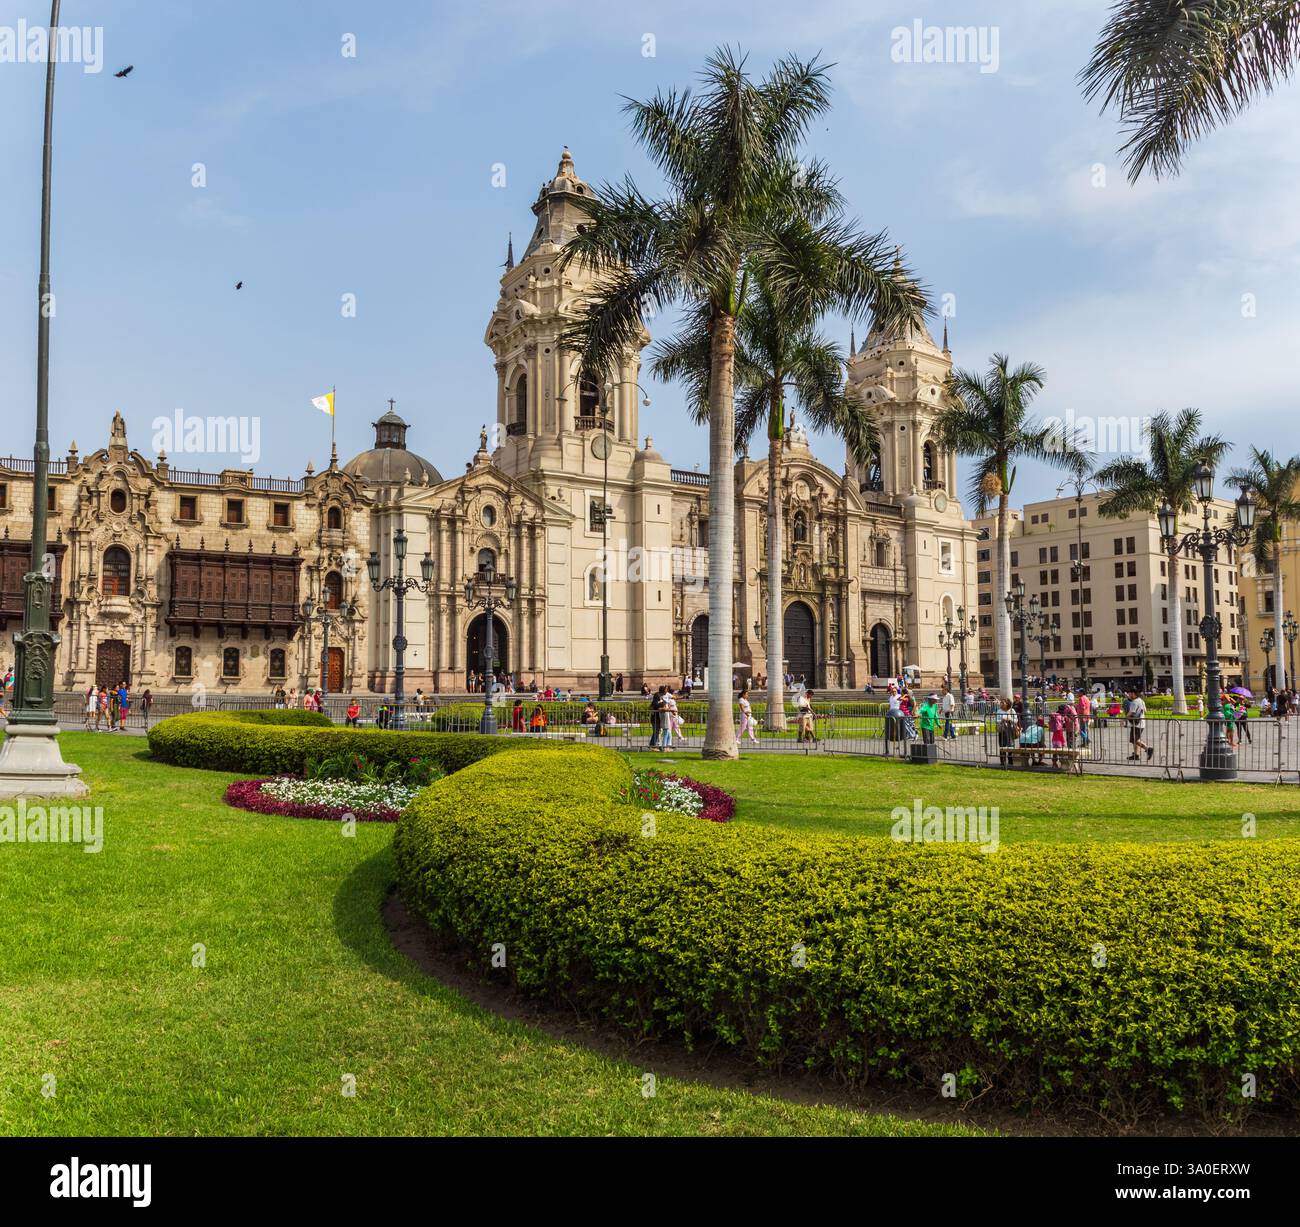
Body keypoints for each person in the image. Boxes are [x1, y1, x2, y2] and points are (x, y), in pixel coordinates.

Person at [1127, 688, 1152, 761]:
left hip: (1136, 724)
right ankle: (1136, 755)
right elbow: (1145, 711)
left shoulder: (1134, 702)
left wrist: (1126, 717)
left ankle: (1148, 749)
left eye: (1129, 693)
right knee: (1136, 740)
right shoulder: (1141, 700)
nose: (1129, 695)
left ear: (1133, 694)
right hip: (1141, 723)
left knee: (1134, 740)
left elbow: (1131, 712)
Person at [996, 696, 1017, 764]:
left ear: (1007, 704)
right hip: (1002, 730)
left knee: (1010, 745)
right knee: (1002, 745)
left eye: (1003, 702)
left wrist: (1010, 719)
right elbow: (996, 720)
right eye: (1001, 702)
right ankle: (1003, 761)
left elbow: (1016, 720)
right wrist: (1002, 720)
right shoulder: (999, 711)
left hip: (1010, 729)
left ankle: (1010, 760)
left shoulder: (1012, 710)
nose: (1001, 703)